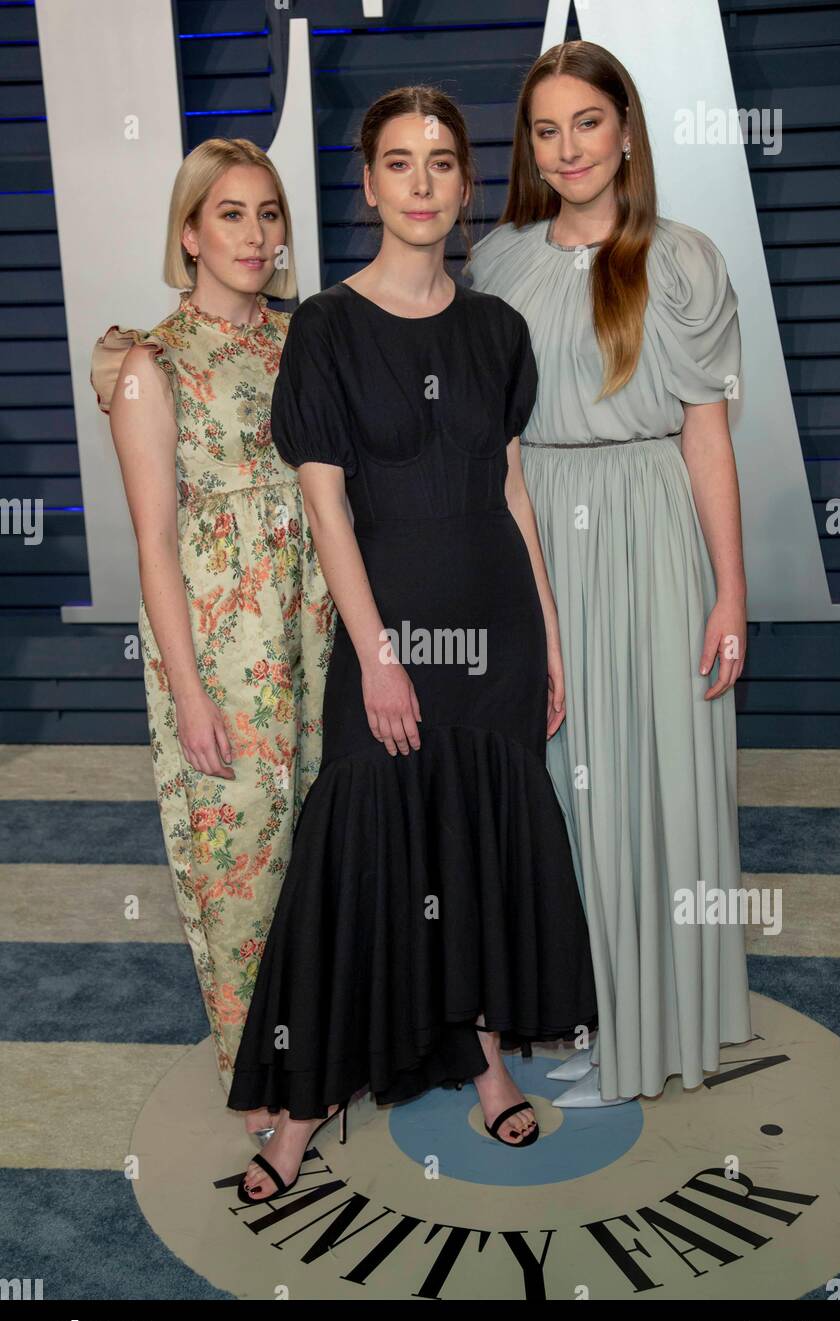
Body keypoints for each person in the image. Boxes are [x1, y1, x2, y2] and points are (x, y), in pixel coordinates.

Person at [229, 86, 597, 1203]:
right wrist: (379, 654)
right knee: (359, 850)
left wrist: (548, 639)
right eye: (399, 163)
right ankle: (304, 1101)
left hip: (495, 629)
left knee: (471, 847)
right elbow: (326, 507)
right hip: (387, 629)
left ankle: (484, 1061)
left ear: (465, 183)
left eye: (441, 163)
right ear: (369, 183)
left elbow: (513, 493)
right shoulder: (327, 328)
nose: (422, 184)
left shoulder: (496, 330)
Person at [464, 40, 753, 1104]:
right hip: (535, 532)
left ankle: (648, 1034)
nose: (568, 147)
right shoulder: (497, 262)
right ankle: (580, 1004)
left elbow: (706, 438)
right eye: (546, 130)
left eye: (586, 122)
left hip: (648, 533)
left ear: (625, 131)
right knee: (559, 785)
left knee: (651, 780)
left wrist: (730, 592)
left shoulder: (680, 259)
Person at [90, 139, 335, 1140]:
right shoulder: (149, 364)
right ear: (188, 233)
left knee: (323, 844)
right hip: (223, 648)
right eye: (230, 214)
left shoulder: (307, 338)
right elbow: (153, 543)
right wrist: (188, 693)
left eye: (269, 213)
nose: (256, 234)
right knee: (237, 860)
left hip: (316, 626)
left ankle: (326, 1042)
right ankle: (259, 1072)